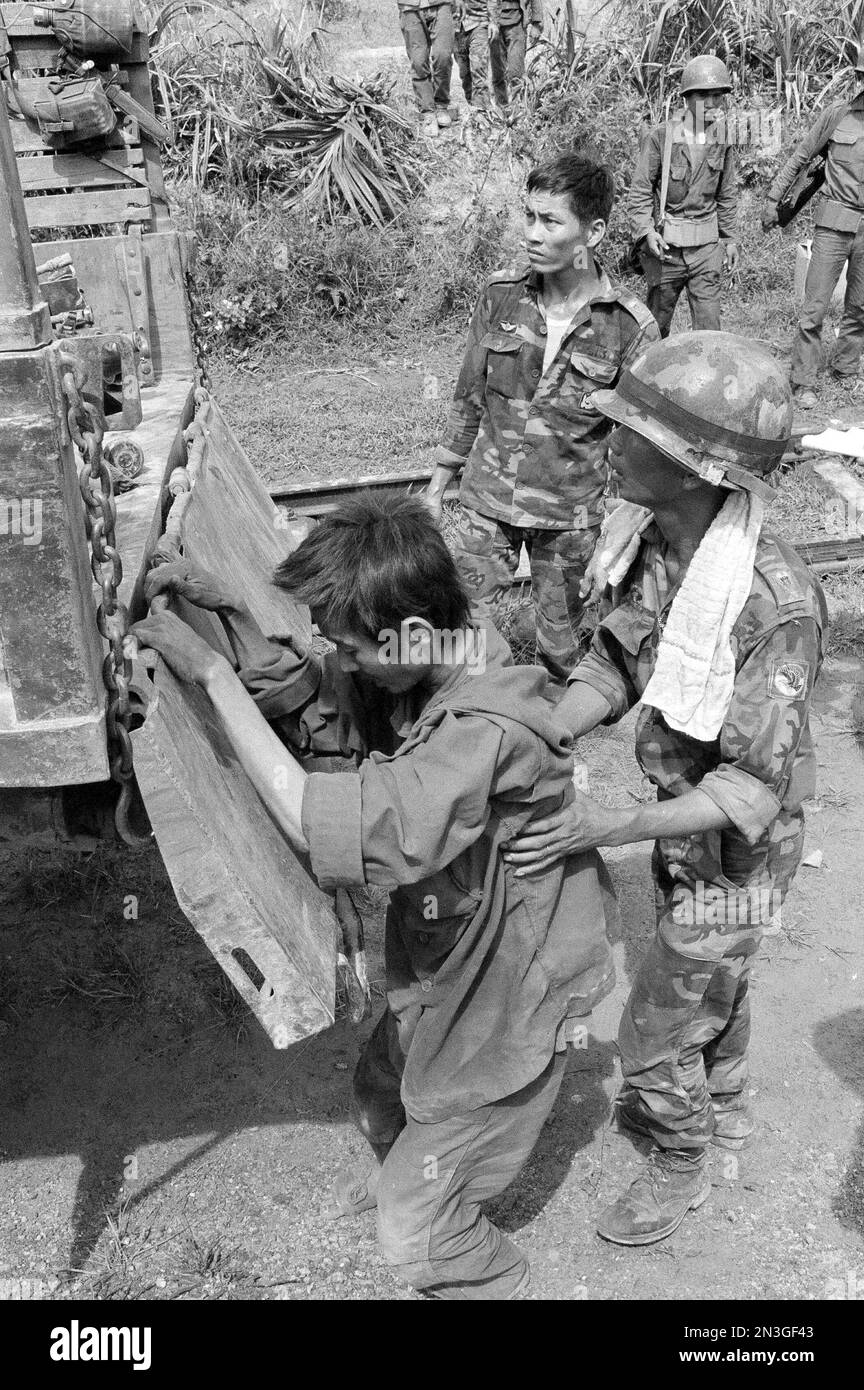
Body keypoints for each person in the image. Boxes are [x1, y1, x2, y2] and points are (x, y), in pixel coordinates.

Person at [133, 495, 614, 1299]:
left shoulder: (483, 727)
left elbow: (328, 816)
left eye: (350, 645)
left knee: (414, 1243)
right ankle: (418, 1175)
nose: (342, 661)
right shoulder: (435, 650)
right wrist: (226, 611)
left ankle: (465, 1248)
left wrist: (214, 673)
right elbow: (319, 695)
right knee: (379, 1091)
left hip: (509, 989)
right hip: (446, 953)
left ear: (411, 635)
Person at [504, 332, 827, 1246]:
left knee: (652, 1026)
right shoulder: (663, 542)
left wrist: (602, 828)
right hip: (682, 834)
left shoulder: (773, 603)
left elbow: (747, 790)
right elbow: (618, 657)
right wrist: (550, 728)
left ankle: (681, 1159)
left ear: (695, 467)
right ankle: (723, 1103)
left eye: (633, 432)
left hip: (739, 855)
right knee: (707, 986)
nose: (610, 440)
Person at [424, 152, 659, 686]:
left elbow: (642, 442)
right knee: (464, 629)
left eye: (551, 221)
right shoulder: (500, 297)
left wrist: (628, 522)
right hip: (488, 500)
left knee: (565, 646)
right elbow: (468, 395)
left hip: (569, 517)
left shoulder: (628, 328)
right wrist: (439, 484)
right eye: (529, 216)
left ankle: (559, 743)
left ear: (592, 232)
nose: (533, 233)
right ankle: (475, 723)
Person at [762, 46, 864, 409]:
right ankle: (803, 381)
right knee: (815, 308)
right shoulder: (838, 116)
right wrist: (774, 199)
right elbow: (802, 158)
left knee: (860, 306)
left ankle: (845, 367)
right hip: (835, 223)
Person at [628, 55, 738, 337]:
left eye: (718, 96)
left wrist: (730, 239)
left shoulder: (723, 138)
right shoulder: (662, 137)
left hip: (706, 249)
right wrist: (645, 232)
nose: (712, 103)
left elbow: (726, 193)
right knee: (654, 329)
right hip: (667, 250)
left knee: (709, 330)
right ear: (687, 99)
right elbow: (640, 190)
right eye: (703, 95)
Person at [396, 0, 455, 137]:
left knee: (443, 56)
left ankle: (441, 104)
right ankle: (427, 111)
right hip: (410, 7)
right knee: (418, 61)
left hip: (441, 4)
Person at [489, 0, 543, 110]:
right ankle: (501, 109)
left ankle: (517, 109)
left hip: (517, 22)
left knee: (515, 70)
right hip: (493, 22)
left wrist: (536, 23)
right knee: (497, 71)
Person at [453, 0, 498, 115]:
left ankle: (482, 110)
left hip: (479, 22)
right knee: (464, 73)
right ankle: (472, 109)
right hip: (456, 26)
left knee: (478, 68)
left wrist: (493, 21)